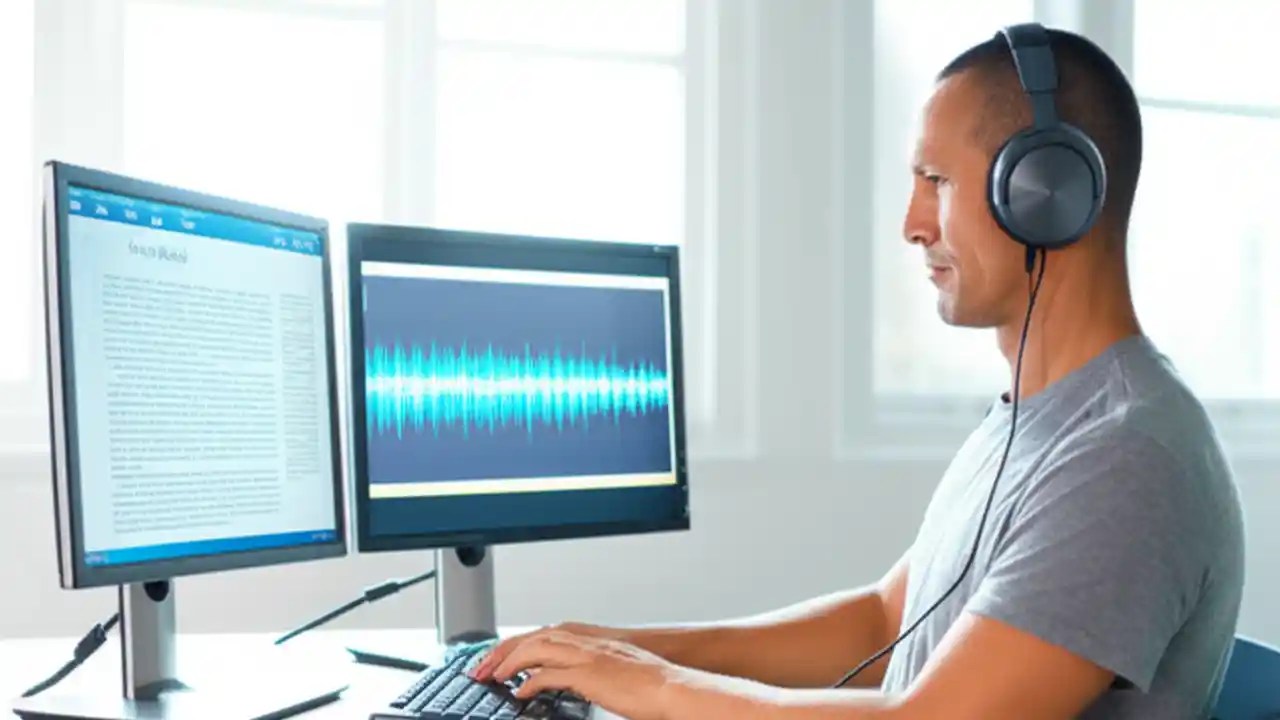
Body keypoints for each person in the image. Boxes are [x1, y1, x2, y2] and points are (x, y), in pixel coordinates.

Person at [470, 25, 1245, 720]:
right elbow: (883, 621)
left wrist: (656, 690)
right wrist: (626, 652)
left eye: (936, 182)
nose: (912, 225)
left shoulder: (1127, 457)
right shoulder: (1035, 419)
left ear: (1044, 192)